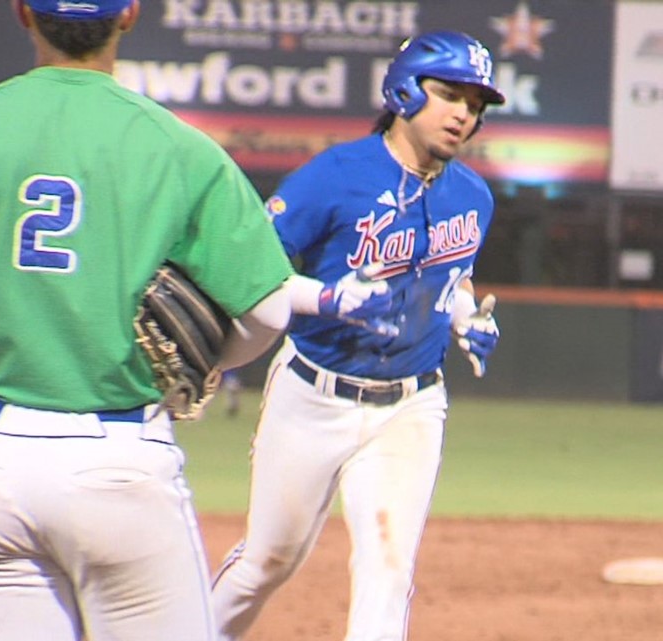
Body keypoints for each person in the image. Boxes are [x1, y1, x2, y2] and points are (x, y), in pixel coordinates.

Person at [0, 1, 297, 638]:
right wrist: (203, 361)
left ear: (24, 12)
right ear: (128, 14)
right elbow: (270, 310)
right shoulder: (178, 147)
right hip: (118, 460)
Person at [210, 30, 505, 640]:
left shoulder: (473, 197)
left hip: (411, 405)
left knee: (389, 569)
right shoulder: (332, 177)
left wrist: (466, 317)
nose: (463, 114)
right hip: (313, 396)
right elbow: (254, 276)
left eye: (475, 104)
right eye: (449, 94)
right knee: (268, 562)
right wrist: (325, 297)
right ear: (403, 89)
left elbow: (456, 278)